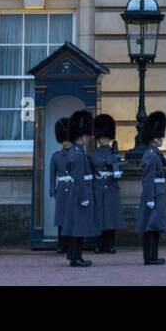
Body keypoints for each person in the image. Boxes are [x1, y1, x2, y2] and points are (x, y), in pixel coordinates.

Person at [60, 109, 100, 267]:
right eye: (87, 136)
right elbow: (78, 180)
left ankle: (74, 256)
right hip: (79, 196)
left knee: (78, 228)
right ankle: (76, 258)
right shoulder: (77, 155)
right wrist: (84, 198)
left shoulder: (77, 152)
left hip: (77, 195)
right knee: (78, 229)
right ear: (83, 136)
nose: (89, 138)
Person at [135, 111, 166, 266]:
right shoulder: (151, 156)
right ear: (154, 138)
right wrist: (150, 199)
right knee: (151, 228)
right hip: (154, 195)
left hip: (158, 193)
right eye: (159, 136)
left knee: (155, 227)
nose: (162, 138)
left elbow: (158, 176)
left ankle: (152, 256)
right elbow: (148, 179)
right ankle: (150, 257)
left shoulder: (155, 154)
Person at [89, 114, 124, 254]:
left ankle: (110, 244)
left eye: (106, 137)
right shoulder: (93, 154)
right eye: (102, 137)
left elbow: (119, 167)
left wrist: (118, 172)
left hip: (110, 186)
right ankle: (99, 244)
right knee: (99, 217)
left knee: (111, 217)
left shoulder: (114, 153)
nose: (104, 139)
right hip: (98, 186)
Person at [49, 116, 72, 257]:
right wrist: (52, 190)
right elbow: (52, 175)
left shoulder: (77, 154)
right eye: (63, 140)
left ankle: (71, 244)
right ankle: (61, 244)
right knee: (61, 220)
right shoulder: (56, 156)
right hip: (62, 189)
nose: (65, 142)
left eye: (67, 139)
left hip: (74, 189)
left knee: (71, 218)